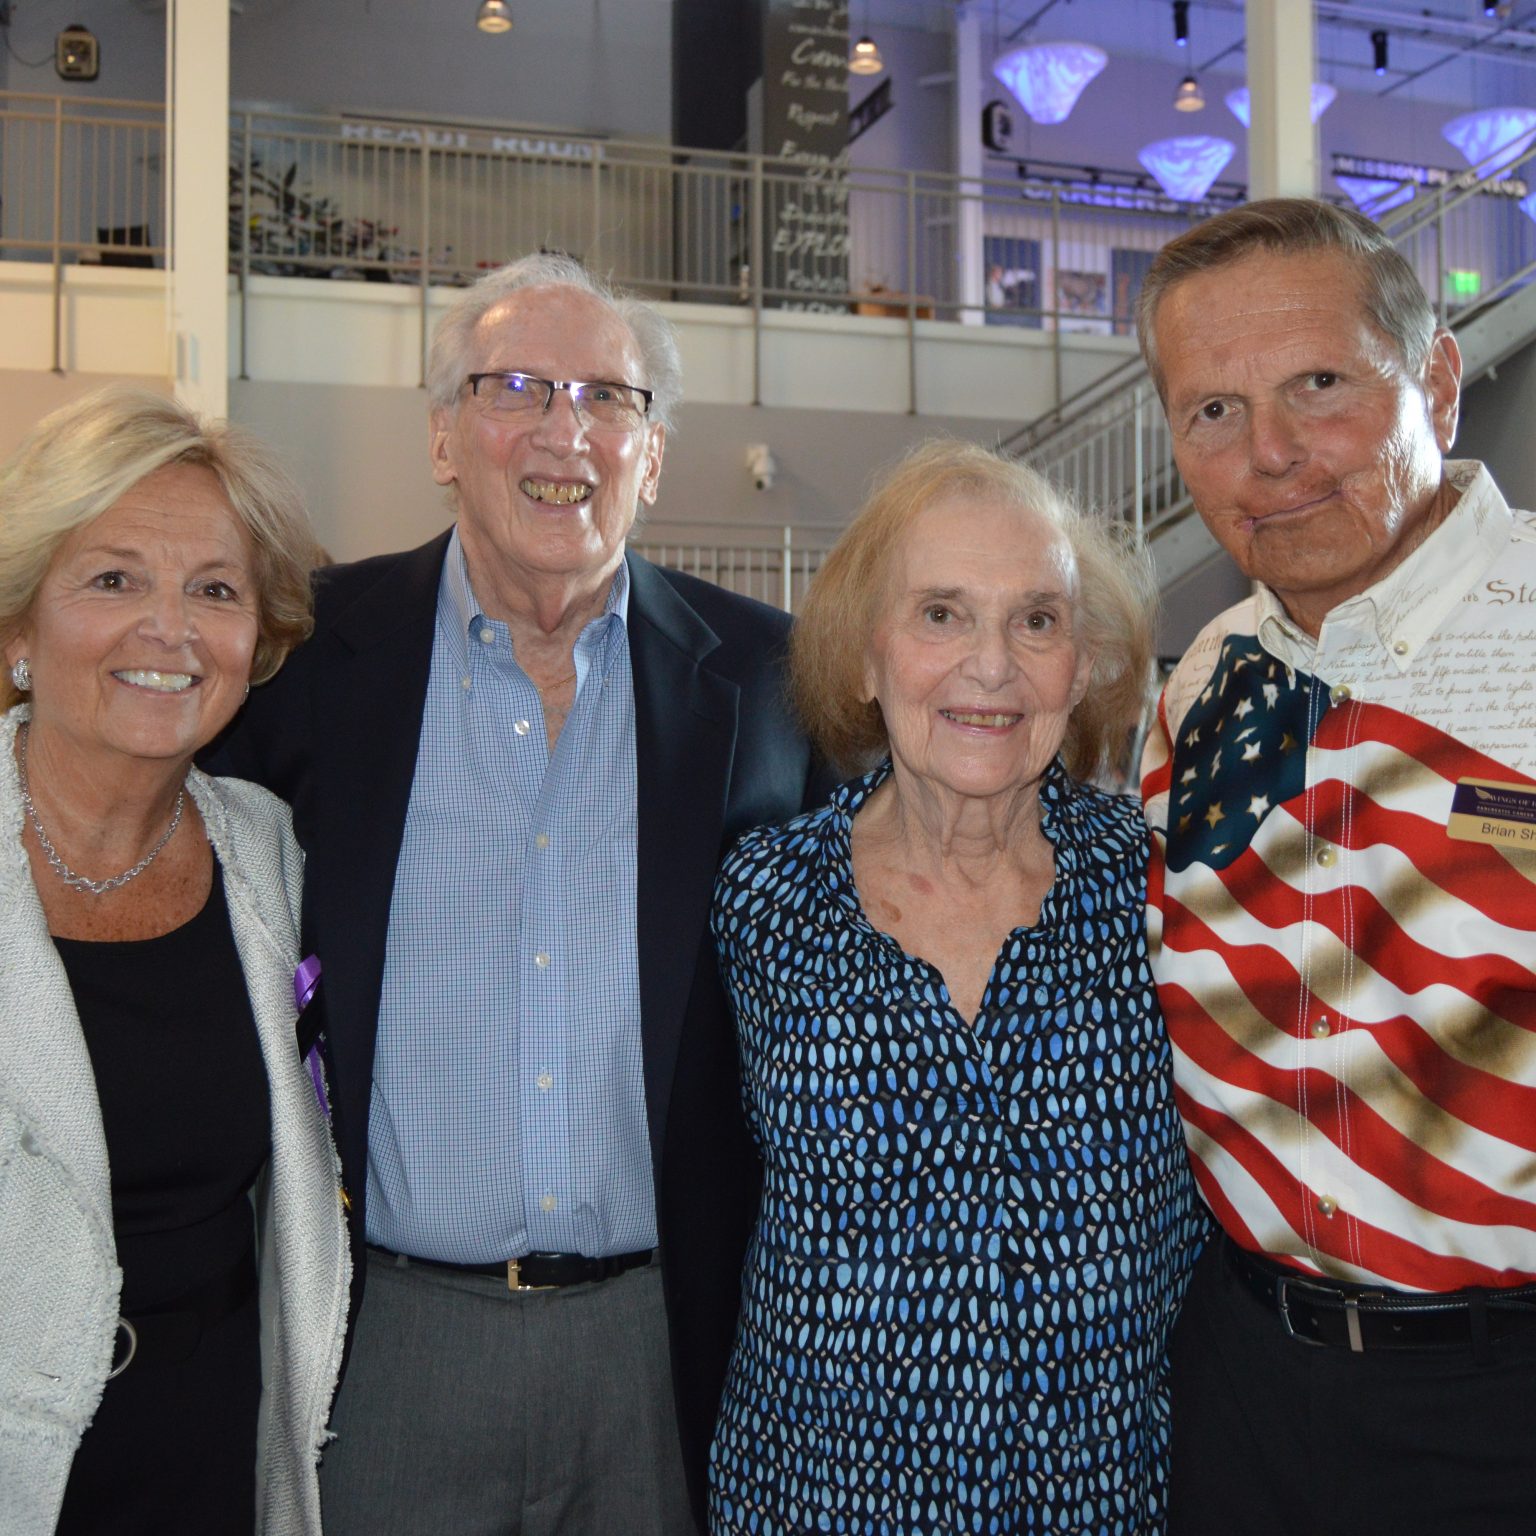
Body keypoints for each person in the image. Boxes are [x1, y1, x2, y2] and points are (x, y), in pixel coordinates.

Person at [208, 252, 824, 1535]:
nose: (567, 430)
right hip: (391, 1342)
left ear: (652, 455)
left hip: (663, 1346)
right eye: (519, 388)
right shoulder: (304, 663)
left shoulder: (769, 685)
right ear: (442, 435)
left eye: (611, 398)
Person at [708, 439, 1206, 1535]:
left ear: (1080, 669)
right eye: (941, 614)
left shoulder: (1163, 891)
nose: (993, 665)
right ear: (864, 659)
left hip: (1106, 1502)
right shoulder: (763, 899)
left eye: (1037, 620)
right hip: (816, 1501)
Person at [1137, 197, 1536, 1535]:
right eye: (1212, 412)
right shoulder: (1202, 686)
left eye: (1319, 385)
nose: (1272, 457)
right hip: (1239, 1382)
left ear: (1435, 380)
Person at [0, 385, 347, 1535]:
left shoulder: (269, 856)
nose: (173, 628)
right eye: (113, 580)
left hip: (213, 1469)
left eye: (215, 590)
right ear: (17, 628)